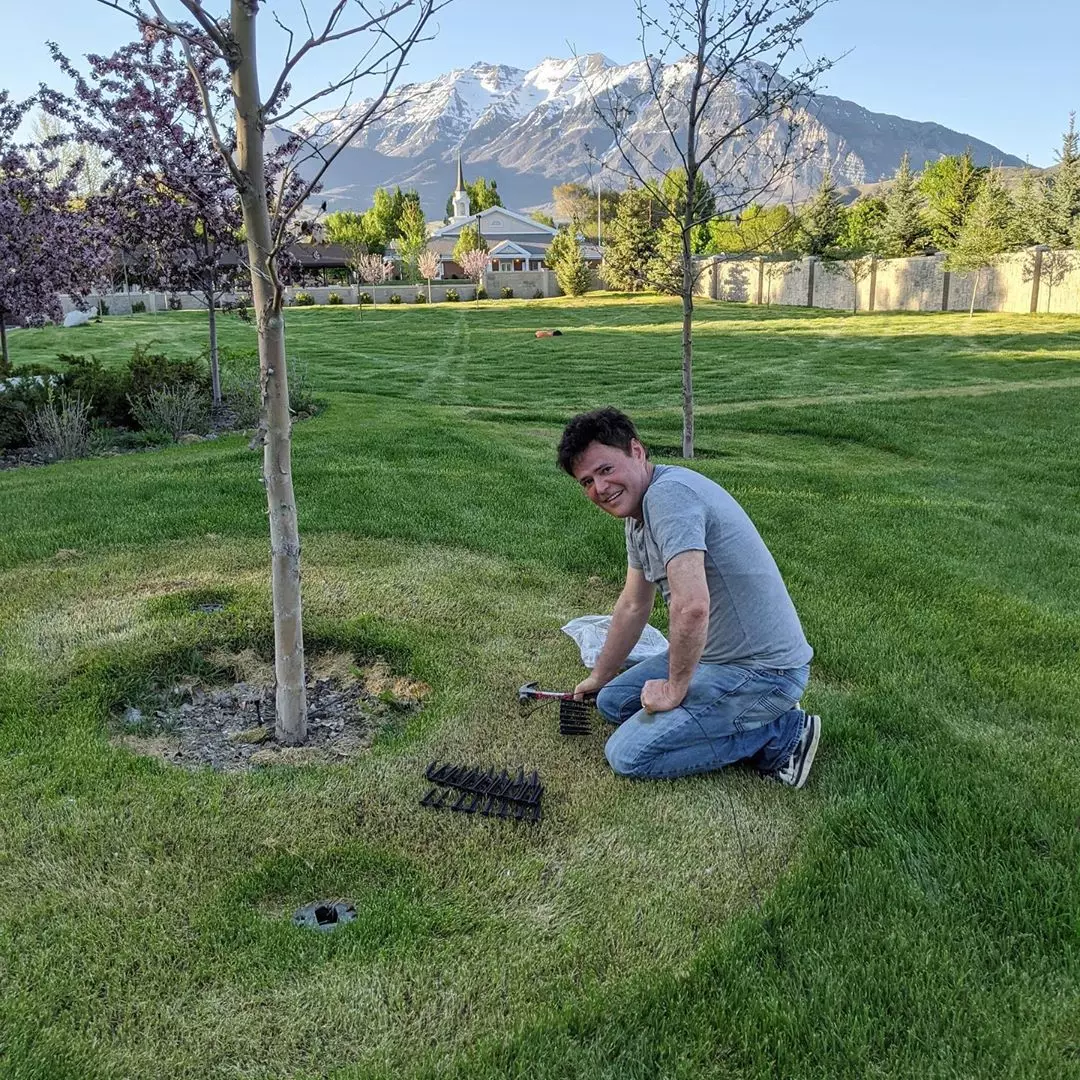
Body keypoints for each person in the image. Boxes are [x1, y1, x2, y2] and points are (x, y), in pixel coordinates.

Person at [557, 407, 820, 787]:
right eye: (586, 482)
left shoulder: (669, 498)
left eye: (605, 470)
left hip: (764, 673)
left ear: (637, 451)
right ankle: (747, 715)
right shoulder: (638, 517)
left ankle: (781, 732)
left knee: (627, 755)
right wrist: (599, 675)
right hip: (715, 657)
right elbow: (634, 604)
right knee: (611, 701)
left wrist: (675, 689)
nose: (599, 489)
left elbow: (692, 606)